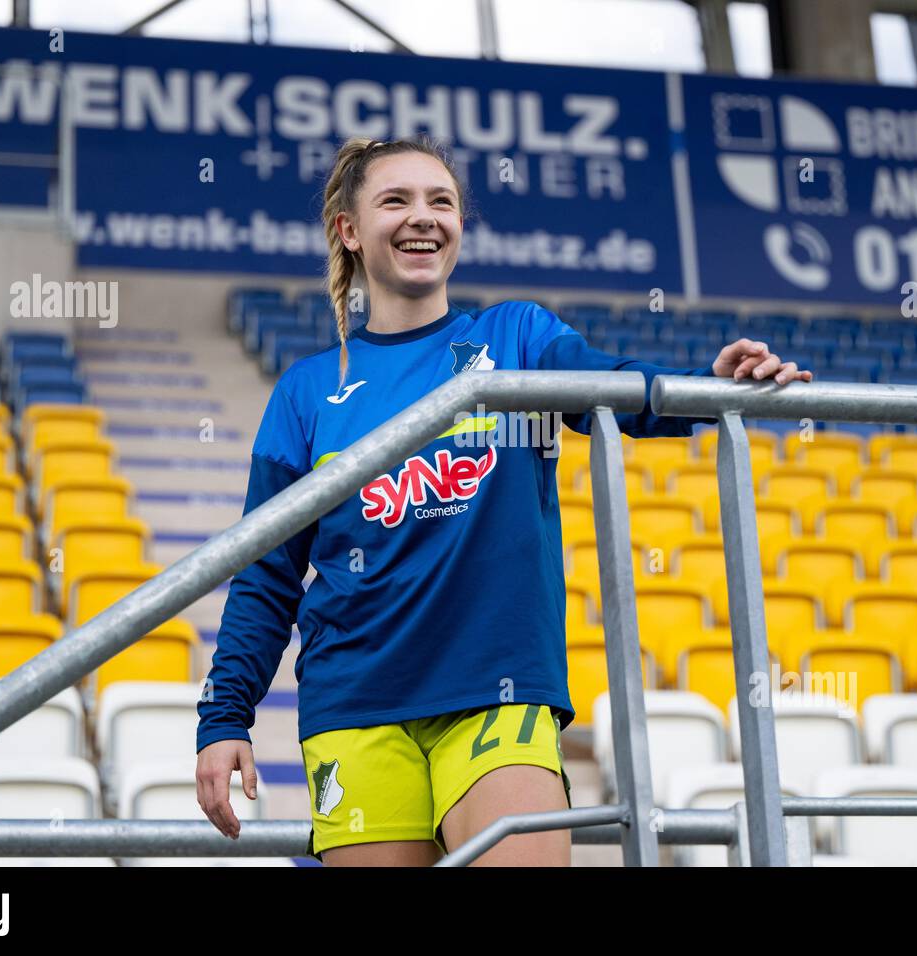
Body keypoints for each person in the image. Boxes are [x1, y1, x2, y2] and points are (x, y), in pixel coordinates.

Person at [196, 135, 813, 867]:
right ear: (349, 230)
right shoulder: (305, 391)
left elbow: (613, 391)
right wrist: (225, 715)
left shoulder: (514, 338)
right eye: (395, 200)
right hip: (355, 703)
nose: (423, 218)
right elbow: (266, 573)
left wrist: (702, 389)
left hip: (498, 690)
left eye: (442, 202)